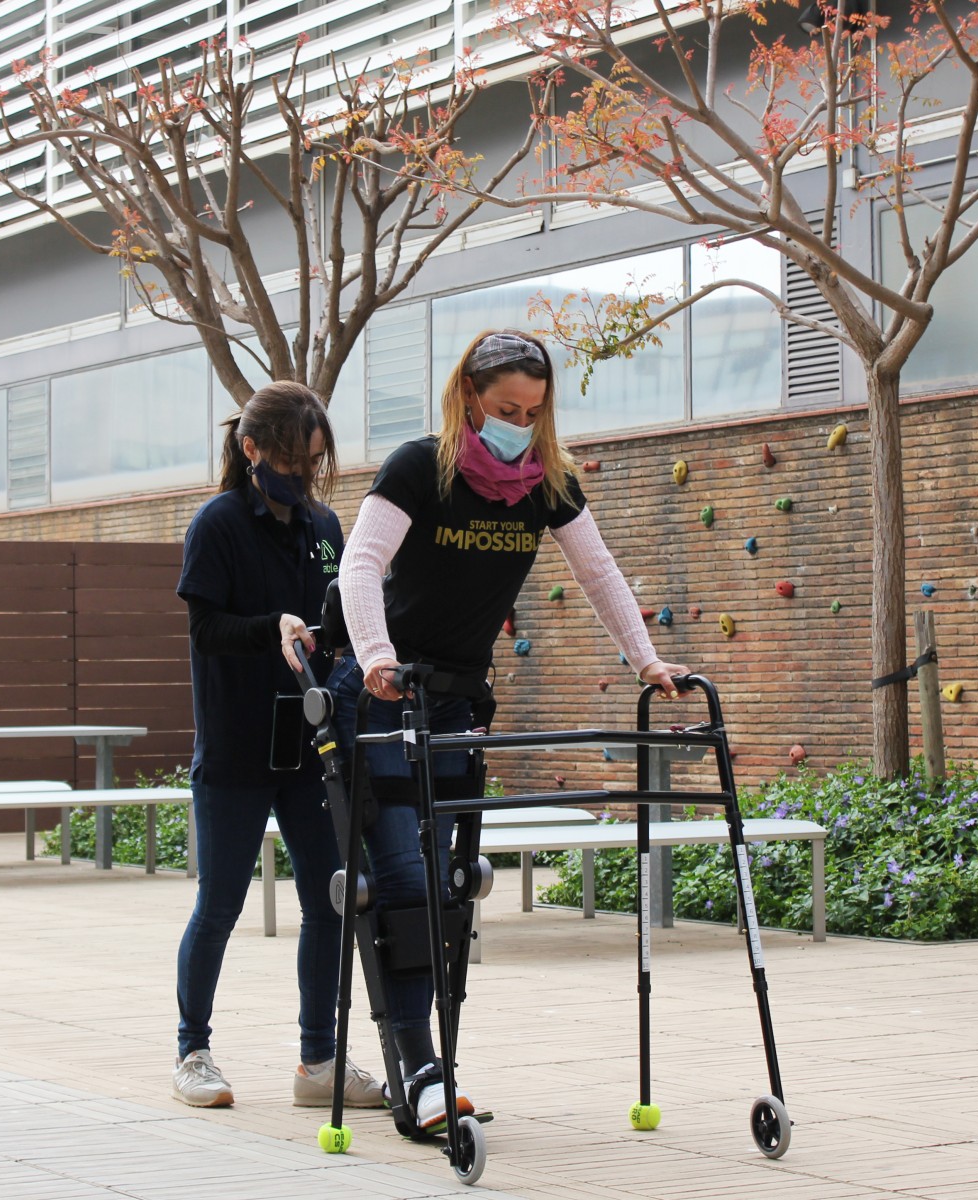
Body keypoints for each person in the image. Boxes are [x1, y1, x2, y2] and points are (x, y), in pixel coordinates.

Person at [329, 329, 688, 1131]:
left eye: (532, 411)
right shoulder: (419, 466)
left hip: (456, 700)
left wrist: (646, 661)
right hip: (386, 690)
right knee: (402, 883)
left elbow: (597, 571)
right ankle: (419, 1068)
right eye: (503, 409)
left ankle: (427, 1064)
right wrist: (377, 656)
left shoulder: (543, 481)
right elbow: (359, 565)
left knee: (450, 887)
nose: (518, 424)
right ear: (468, 397)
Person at [172, 380, 384, 1112]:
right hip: (235, 750)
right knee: (220, 905)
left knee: (330, 901)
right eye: (289, 464)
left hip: (312, 750)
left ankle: (318, 1062)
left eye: (313, 464)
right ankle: (192, 1050)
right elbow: (205, 631)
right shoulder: (218, 524)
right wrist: (272, 627)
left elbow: (351, 618)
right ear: (250, 448)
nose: (300, 478)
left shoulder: (325, 526)